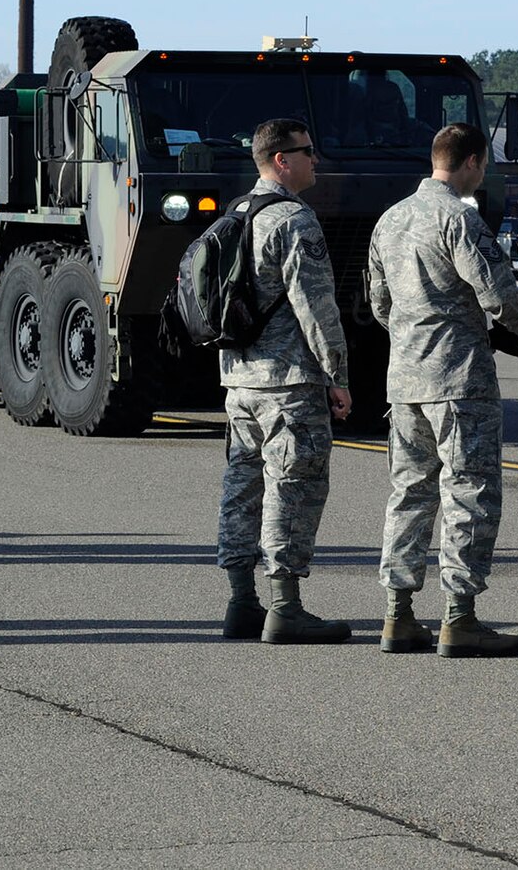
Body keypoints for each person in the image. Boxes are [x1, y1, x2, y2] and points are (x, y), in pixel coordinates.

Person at [369, 122, 518, 658]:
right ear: (472, 162)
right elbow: (498, 293)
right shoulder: (458, 219)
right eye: (482, 165)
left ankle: (398, 615)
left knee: (410, 494)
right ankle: (459, 618)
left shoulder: (390, 219)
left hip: (405, 382)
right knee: (468, 493)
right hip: (459, 380)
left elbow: (377, 303)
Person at [217, 118, 354, 644]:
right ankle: (286, 607)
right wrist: (337, 375)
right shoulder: (294, 219)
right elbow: (317, 308)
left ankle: (240, 602)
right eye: (307, 151)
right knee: (293, 488)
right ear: (281, 160)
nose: (315, 160)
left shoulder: (237, 212)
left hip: (239, 380)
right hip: (289, 382)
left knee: (242, 487)